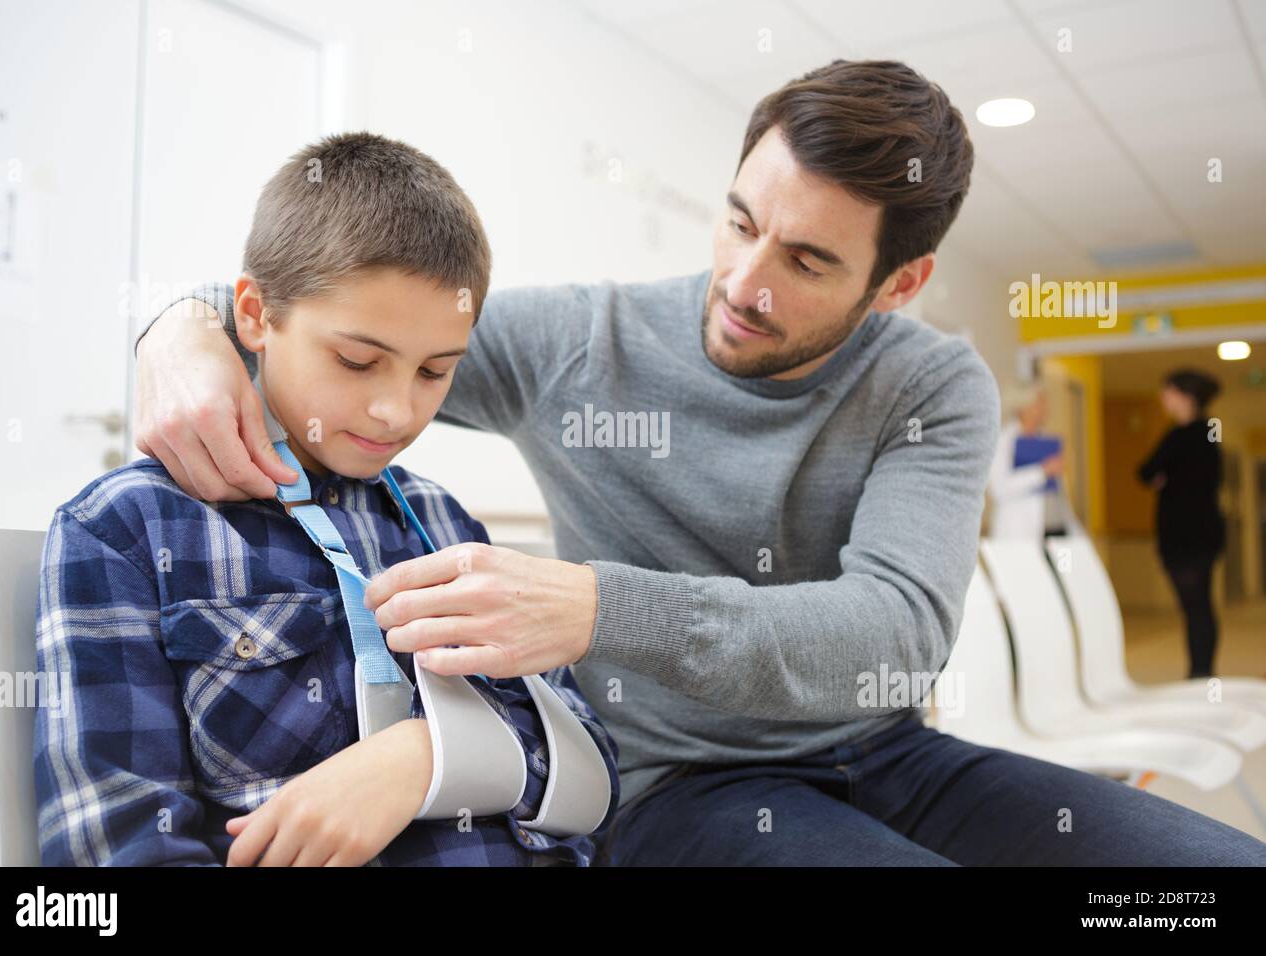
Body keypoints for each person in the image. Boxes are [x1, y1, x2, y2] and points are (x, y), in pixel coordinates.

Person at [133, 61, 1266, 864]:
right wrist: (177, 331)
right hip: (670, 790)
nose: (742, 280)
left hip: (888, 750)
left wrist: (597, 607)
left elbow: (891, 631)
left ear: (897, 285)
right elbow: (332, 326)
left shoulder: (929, 383)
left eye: (807, 258)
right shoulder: (576, 341)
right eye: (738, 221)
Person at [33, 132, 619, 866]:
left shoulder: (445, 523)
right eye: (357, 361)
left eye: (436, 372)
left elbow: (591, 767)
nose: (396, 412)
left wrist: (425, 756)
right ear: (252, 315)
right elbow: (110, 849)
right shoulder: (126, 530)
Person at [1137, 369, 1227, 680]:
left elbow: (1148, 472)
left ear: (1184, 396)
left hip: (1184, 536)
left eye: (1167, 392)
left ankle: (1200, 673)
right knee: (1200, 605)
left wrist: (1168, 479)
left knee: (1195, 608)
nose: (1162, 399)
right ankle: (1202, 671)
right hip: (1203, 533)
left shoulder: (1180, 435)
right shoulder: (1209, 431)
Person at [987, 383, 1071, 539]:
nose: (1045, 409)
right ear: (1023, 407)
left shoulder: (1045, 441)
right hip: (1015, 531)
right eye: (1040, 403)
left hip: (1051, 527)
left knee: (1065, 561)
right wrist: (1043, 471)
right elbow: (999, 489)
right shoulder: (1003, 440)